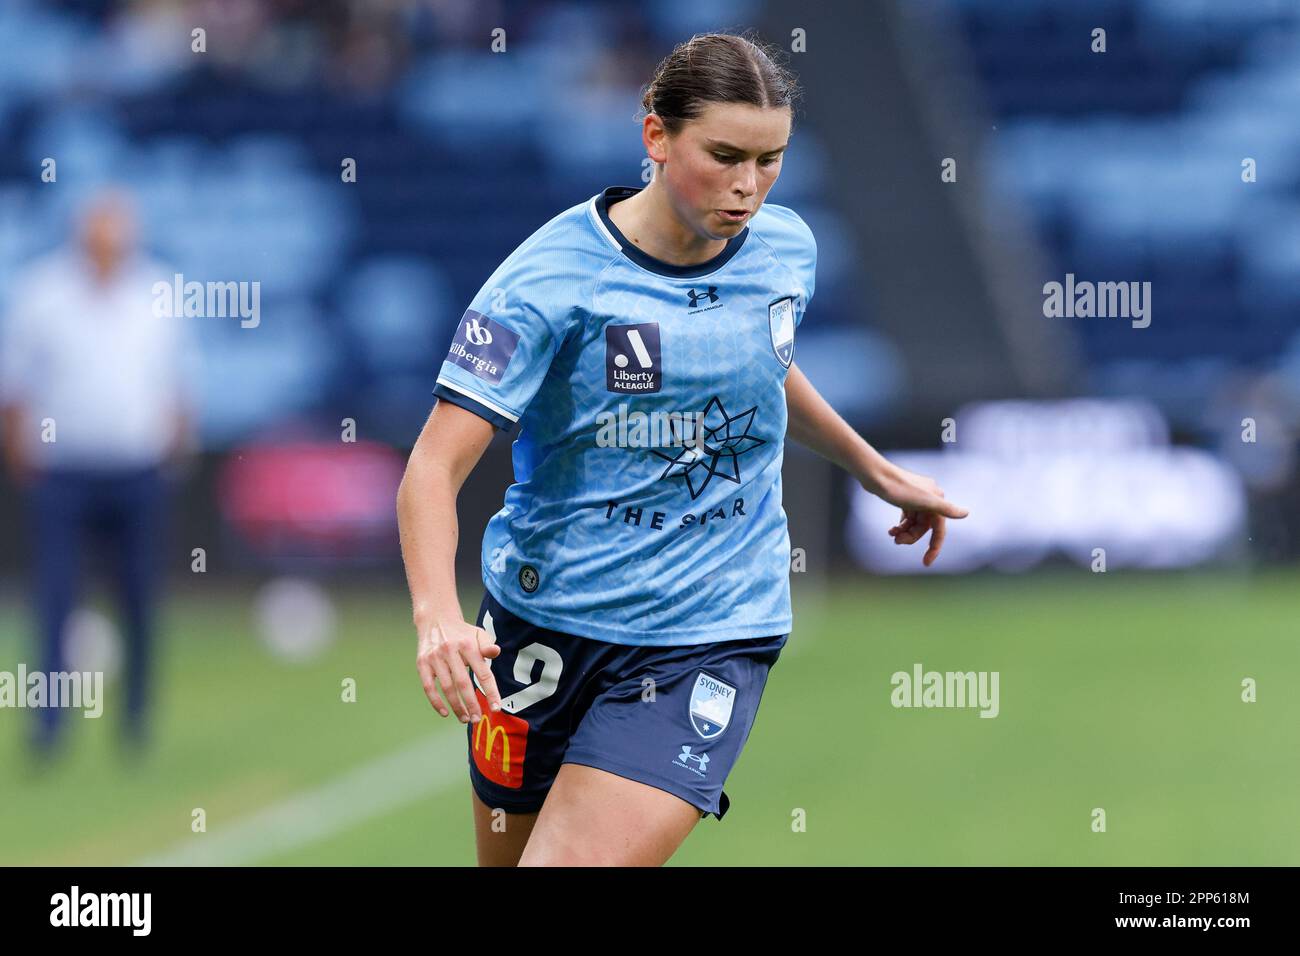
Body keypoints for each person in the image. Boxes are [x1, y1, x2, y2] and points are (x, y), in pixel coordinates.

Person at [396, 32, 967, 866]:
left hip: (708, 629)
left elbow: (761, 369)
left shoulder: (785, 251)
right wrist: (436, 618)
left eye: (771, 159)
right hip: (540, 626)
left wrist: (874, 470)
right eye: (726, 155)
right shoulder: (545, 283)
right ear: (655, 137)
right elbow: (431, 469)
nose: (748, 186)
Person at [0, 188, 199, 759]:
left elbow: (178, 382)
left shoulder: (158, 293)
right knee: (55, 597)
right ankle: (49, 726)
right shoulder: (42, 293)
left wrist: (173, 450)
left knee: (139, 598)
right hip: (64, 471)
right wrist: (23, 452)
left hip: (136, 471)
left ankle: (135, 723)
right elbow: (17, 384)